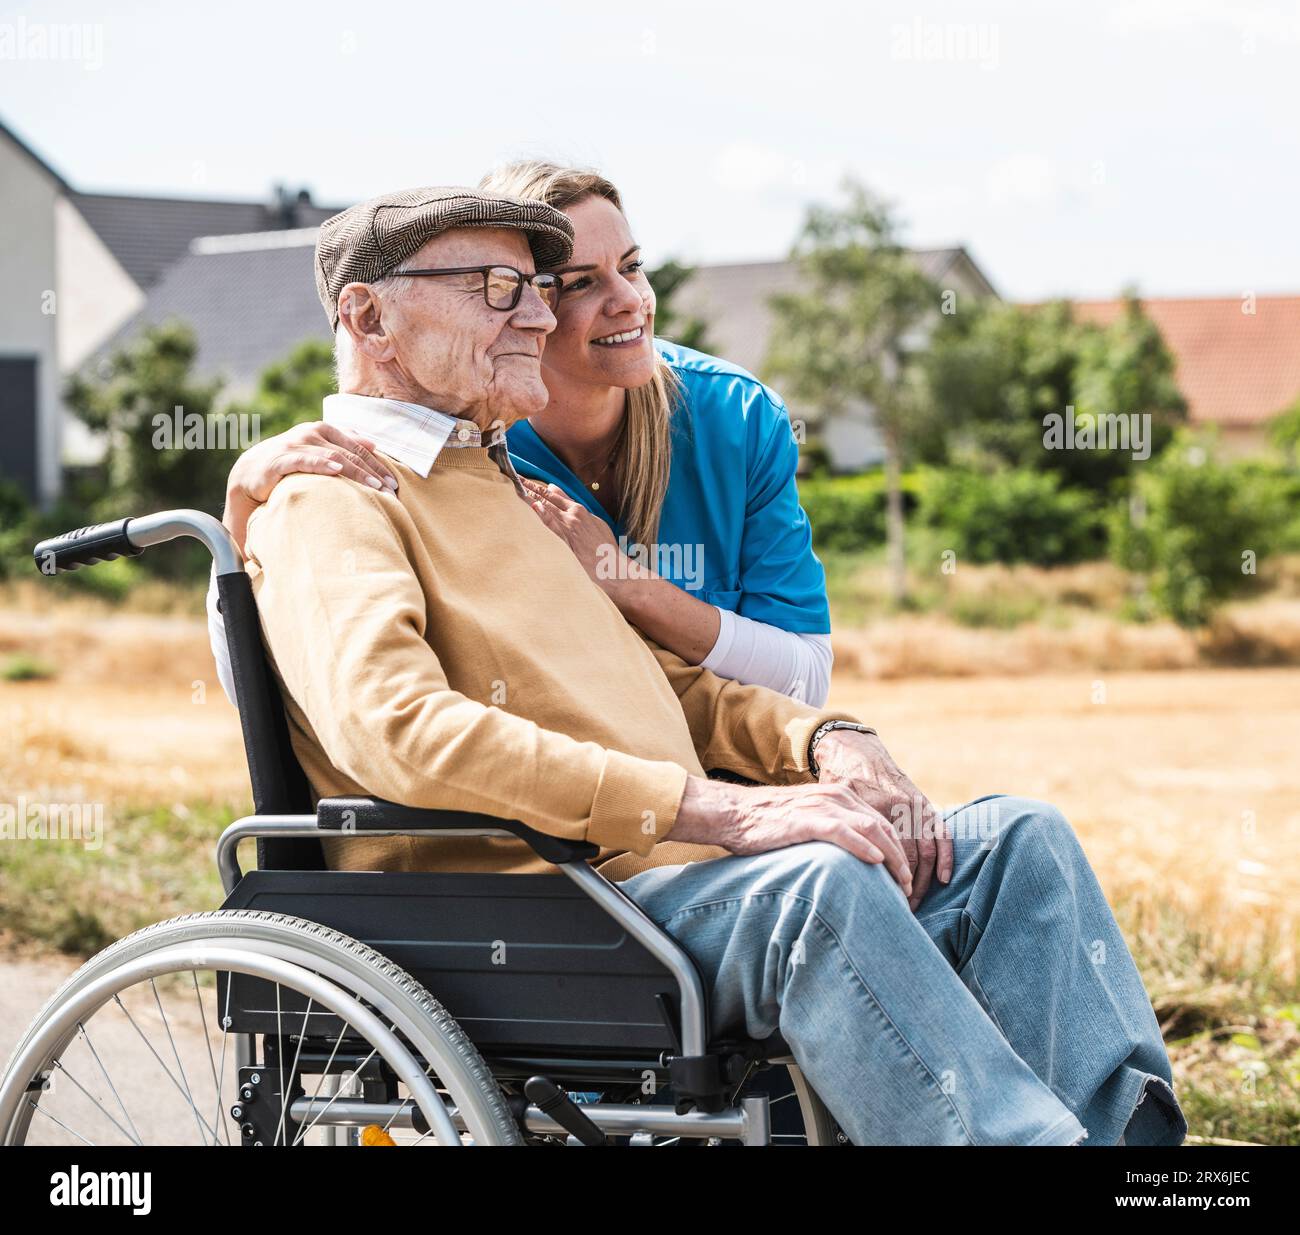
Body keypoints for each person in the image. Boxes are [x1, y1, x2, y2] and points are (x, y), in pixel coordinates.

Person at [235, 182, 1186, 1147]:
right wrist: (728, 810)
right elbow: (399, 730)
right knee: (822, 883)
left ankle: (1136, 1154)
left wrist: (827, 740)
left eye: (534, 285)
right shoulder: (328, 499)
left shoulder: (505, 484)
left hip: (665, 892)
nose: (538, 314)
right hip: (538, 908)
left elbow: (671, 687)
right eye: (497, 286)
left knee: (1014, 843)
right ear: (367, 316)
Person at [210, 163, 832, 707]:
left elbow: (804, 679)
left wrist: (625, 581)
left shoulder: (736, 416)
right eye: (577, 283)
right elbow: (303, 693)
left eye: (633, 267)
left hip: (710, 779)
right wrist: (240, 524)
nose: (632, 302)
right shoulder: (460, 448)